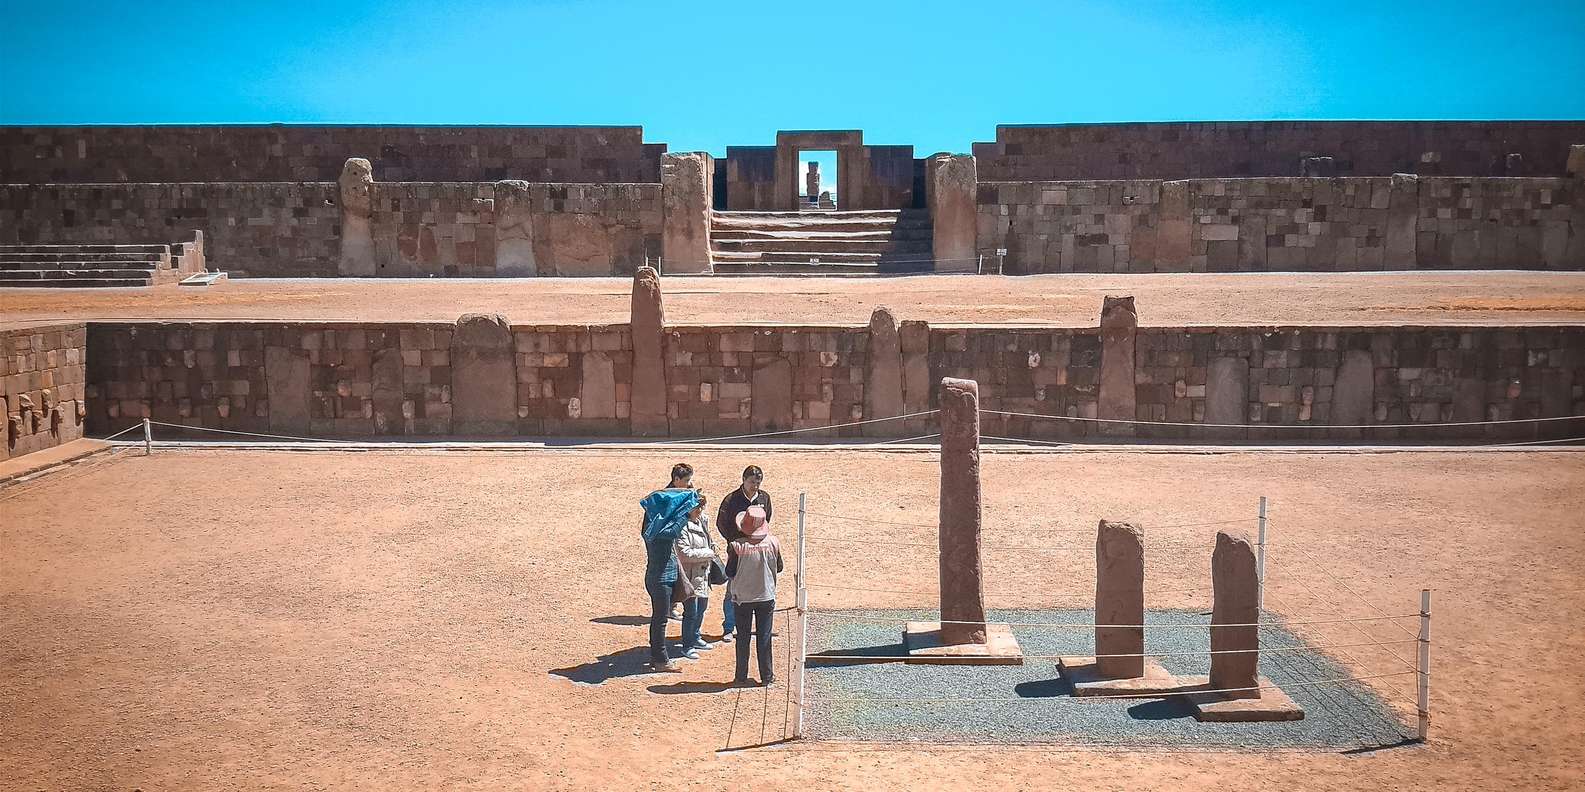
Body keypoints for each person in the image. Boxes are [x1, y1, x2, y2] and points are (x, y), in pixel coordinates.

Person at [639, 485, 701, 673]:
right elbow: (672, 532)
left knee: (664, 616)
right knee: (660, 619)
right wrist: (686, 513)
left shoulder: (652, 524)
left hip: (665, 577)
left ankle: (659, 656)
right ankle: (660, 659)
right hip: (661, 580)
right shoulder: (659, 530)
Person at [726, 505, 782, 686]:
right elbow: (779, 567)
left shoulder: (736, 546)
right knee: (764, 637)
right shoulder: (773, 542)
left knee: (742, 637)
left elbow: (730, 572)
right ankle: (767, 676)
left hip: (742, 598)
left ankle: (741, 677)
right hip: (766, 595)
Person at [716, 465, 771, 642]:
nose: (755, 486)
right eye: (752, 482)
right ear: (744, 480)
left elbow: (767, 519)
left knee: (758, 586)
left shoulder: (764, 498)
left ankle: (752, 626)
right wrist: (734, 541)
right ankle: (729, 626)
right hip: (738, 550)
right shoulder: (731, 500)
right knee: (733, 588)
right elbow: (721, 523)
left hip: (758, 549)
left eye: (758, 482)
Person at [644, 464, 694, 621]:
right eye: (686, 480)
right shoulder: (665, 498)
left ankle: (673, 606)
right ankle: (671, 607)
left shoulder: (683, 493)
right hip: (667, 544)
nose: (689, 484)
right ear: (676, 479)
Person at [674, 492, 718, 659]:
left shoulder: (702, 521)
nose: (699, 510)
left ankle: (696, 636)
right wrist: (709, 553)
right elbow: (684, 553)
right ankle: (687, 645)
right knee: (691, 612)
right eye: (696, 507)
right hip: (690, 576)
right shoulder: (682, 526)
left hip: (703, 574)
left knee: (702, 608)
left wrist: (712, 548)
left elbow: (709, 541)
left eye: (701, 506)